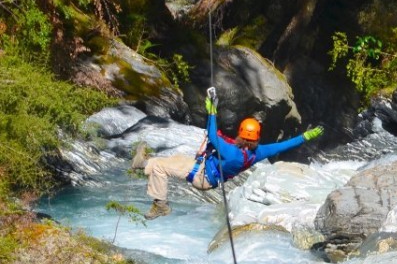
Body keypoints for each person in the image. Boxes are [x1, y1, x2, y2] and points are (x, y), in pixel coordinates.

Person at [131, 88, 324, 219]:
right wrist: (304, 137)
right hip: (206, 173)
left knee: (161, 167)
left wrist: (212, 112)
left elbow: (212, 135)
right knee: (174, 159)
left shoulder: (231, 152)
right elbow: (283, 145)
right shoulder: (258, 152)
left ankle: (160, 205)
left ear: (240, 133)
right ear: (257, 137)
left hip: (202, 176)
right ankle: (143, 164)